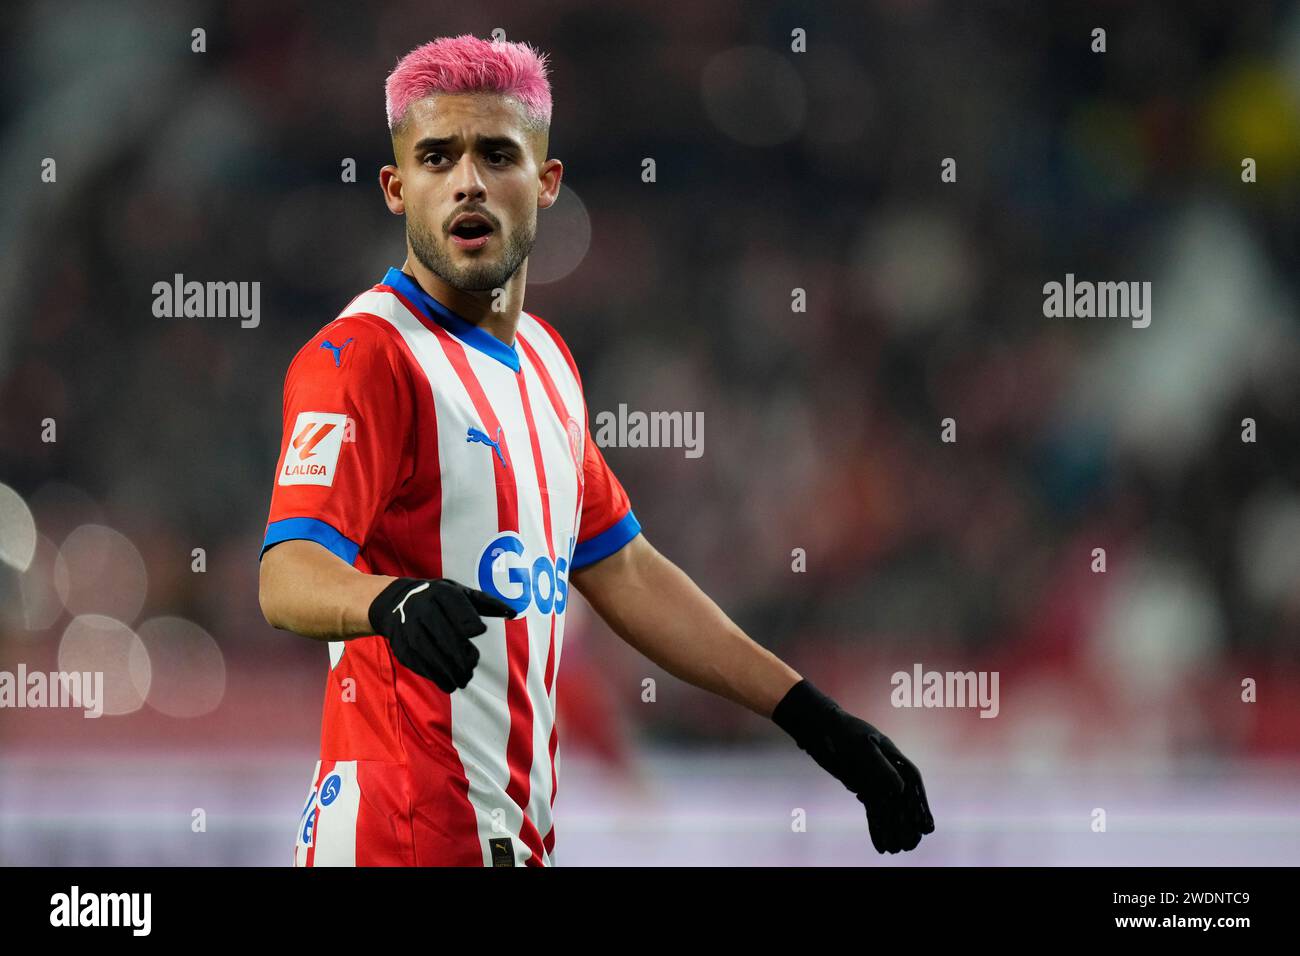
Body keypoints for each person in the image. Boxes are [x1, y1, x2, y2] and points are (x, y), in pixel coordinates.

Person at [257, 33, 933, 866]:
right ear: (397, 190)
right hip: (396, 841)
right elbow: (286, 573)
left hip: (511, 840)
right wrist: (386, 603)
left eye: (496, 154)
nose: (467, 180)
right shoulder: (364, 356)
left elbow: (627, 571)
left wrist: (809, 717)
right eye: (437, 158)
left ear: (545, 184)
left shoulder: (545, 360)